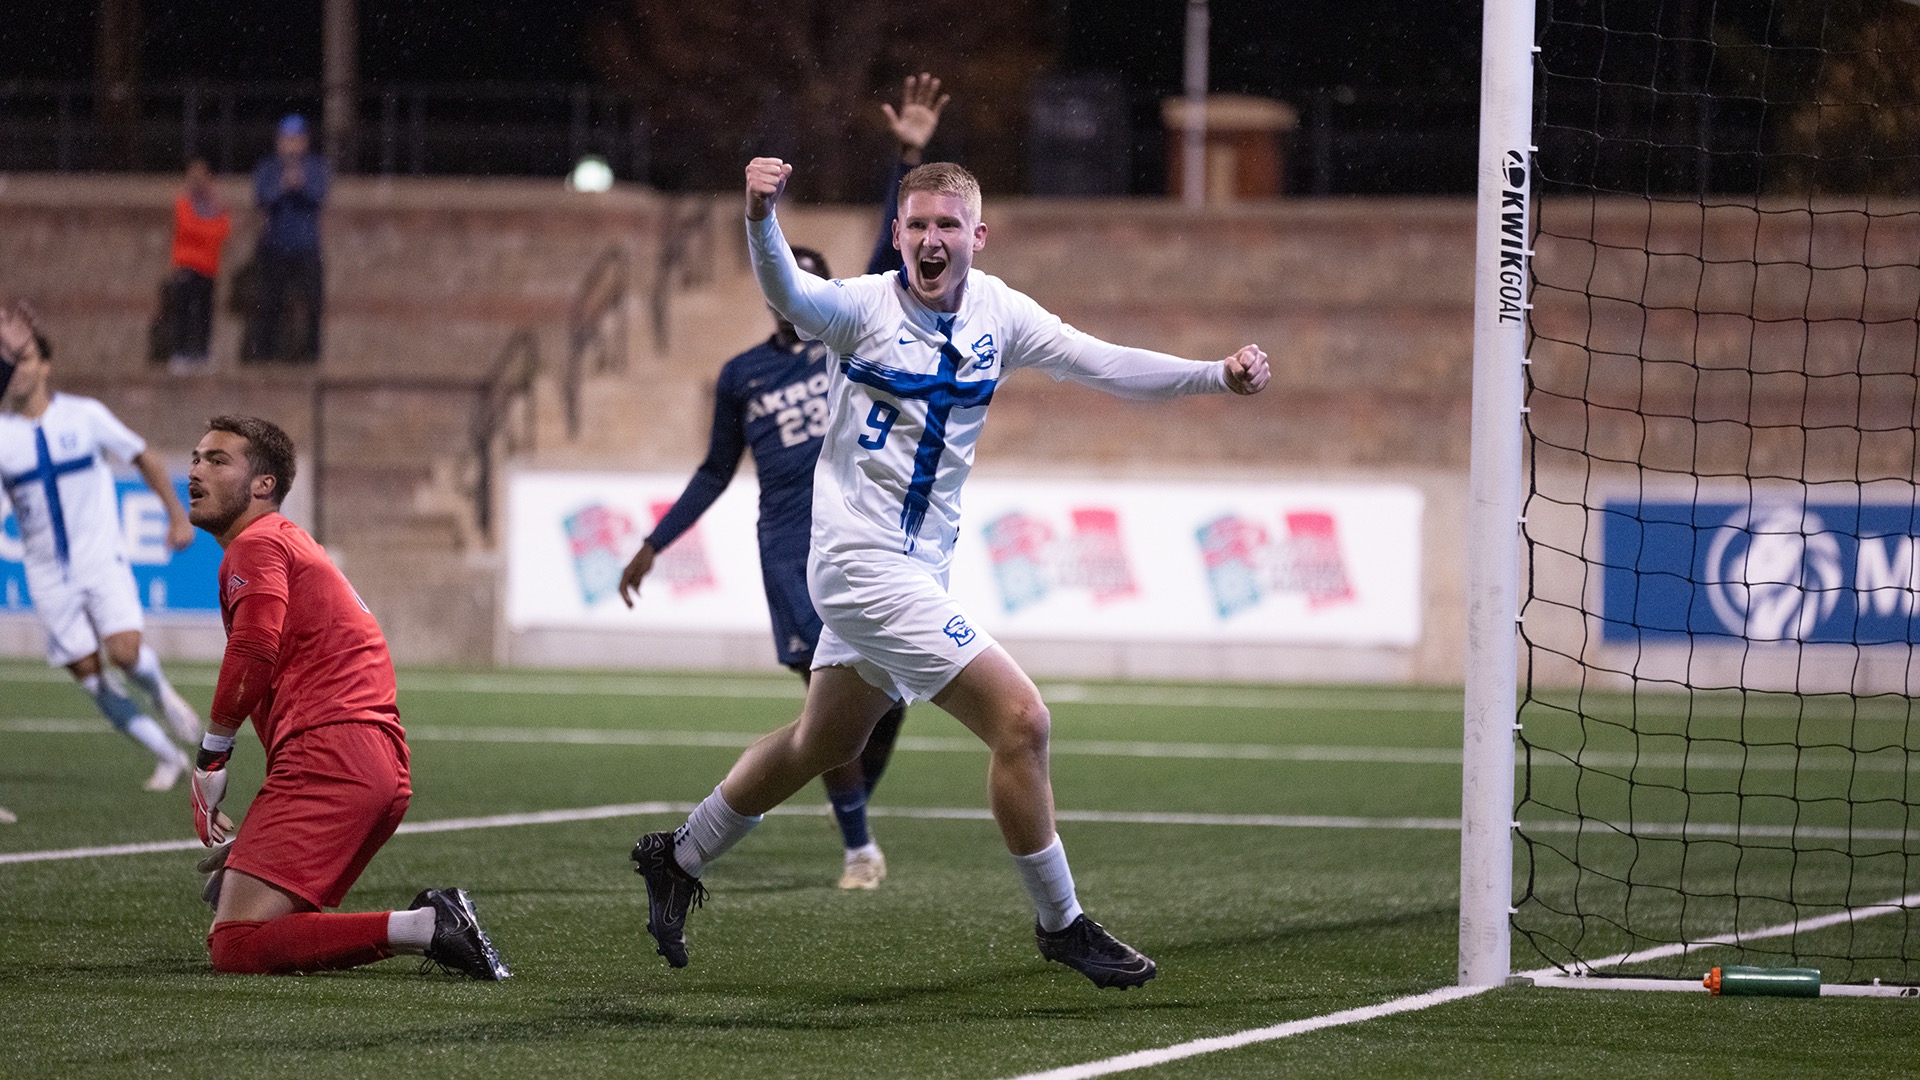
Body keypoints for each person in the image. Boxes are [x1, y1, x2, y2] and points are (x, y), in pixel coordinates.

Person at [628, 155, 1271, 989]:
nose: (930, 241)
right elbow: (790, 295)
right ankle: (1062, 923)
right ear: (895, 234)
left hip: (918, 570)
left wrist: (1213, 376)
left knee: (820, 742)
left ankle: (678, 856)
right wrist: (759, 218)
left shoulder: (999, 312)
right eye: (916, 225)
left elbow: (1102, 361)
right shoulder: (863, 309)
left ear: (978, 236)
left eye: (946, 225)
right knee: (1023, 721)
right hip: (861, 568)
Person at [616, 74, 950, 892]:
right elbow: (711, 470)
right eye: (787, 280)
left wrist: (906, 156)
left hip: (867, 538)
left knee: (882, 705)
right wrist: (654, 543)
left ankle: (843, 799)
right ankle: (859, 847)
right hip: (790, 551)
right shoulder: (742, 375)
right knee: (824, 706)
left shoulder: (851, 341)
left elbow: (887, 248)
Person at [184, 414, 509, 979]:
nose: (195, 471)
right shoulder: (289, 543)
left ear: (264, 485)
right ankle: (422, 925)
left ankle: (427, 926)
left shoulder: (255, 545)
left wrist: (212, 756)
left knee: (236, 946)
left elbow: (256, 648)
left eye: (217, 460)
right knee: (244, 908)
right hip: (373, 760)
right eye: (195, 458)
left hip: (333, 757)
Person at [0, 301, 203, 791]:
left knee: (125, 653)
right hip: (47, 573)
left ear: (45, 365)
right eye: (11, 364)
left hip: (100, 560)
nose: (19, 373)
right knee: (90, 676)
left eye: (26, 360)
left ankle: (162, 693)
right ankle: (167, 755)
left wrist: (178, 516)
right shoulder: (2, 436)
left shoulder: (84, 416)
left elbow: (144, 456)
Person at [245, 115, 328, 364]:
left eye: (296, 139)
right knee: (270, 302)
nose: (291, 144)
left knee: (313, 303)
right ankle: (265, 356)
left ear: (304, 141)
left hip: (307, 247)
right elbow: (262, 198)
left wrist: (300, 185)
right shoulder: (268, 168)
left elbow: (319, 195)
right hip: (275, 246)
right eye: (286, 139)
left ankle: (310, 356)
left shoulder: (316, 167)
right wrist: (283, 185)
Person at [166, 155, 231, 373]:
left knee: (204, 313)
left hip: (208, 267)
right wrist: (208, 229)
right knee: (183, 311)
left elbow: (223, 229)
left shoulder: (214, 205)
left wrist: (206, 229)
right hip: (187, 265)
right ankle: (180, 353)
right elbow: (188, 228)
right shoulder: (184, 203)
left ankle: (201, 354)